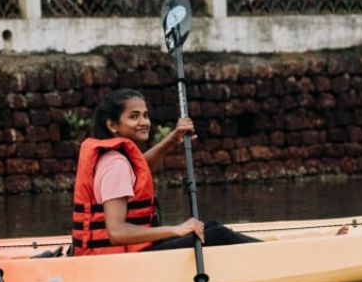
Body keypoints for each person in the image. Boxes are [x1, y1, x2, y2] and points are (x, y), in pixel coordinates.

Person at [70, 89, 257, 255]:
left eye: (145, 115)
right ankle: (275, 259)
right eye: (134, 117)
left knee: (210, 228)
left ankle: (270, 253)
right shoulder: (115, 165)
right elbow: (117, 232)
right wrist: (177, 229)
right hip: (118, 262)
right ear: (113, 125)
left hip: (129, 253)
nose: (144, 122)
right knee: (217, 235)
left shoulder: (115, 158)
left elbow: (140, 167)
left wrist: (173, 138)